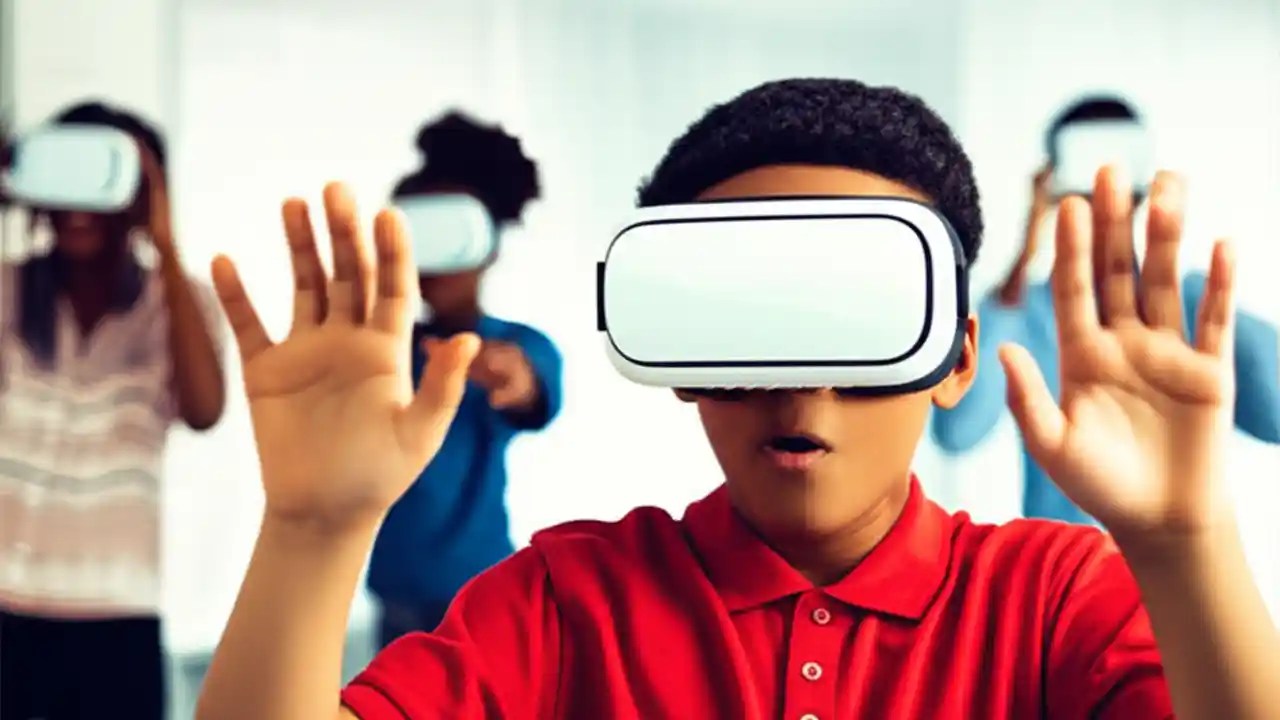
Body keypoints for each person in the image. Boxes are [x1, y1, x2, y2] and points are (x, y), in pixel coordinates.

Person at [196, 79, 1279, 719]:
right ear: (678, 354)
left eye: (862, 312)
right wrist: (308, 531)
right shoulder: (566, 604)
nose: (799, 381)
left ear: (954, 358)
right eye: (746, 318)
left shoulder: (1054, 600)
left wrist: (1187, 543)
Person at [933, 95, 1280, 525]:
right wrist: (1026, 248)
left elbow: (1274, 415)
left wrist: (1207, 301)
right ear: (1053, 181)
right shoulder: (1021, 309)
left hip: (1175, 552)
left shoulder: (1191, 301)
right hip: (1065, 556)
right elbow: (958, 431)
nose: (1103, 184)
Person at [0, 101, 226, 718]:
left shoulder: (178, 303)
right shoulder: (7, 288)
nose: (79, 204)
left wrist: (166, 243)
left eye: (101, 175)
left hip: (117, 608)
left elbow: (205, 409)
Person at [366, 111, 563, 648]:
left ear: (489, 243)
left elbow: (531, 385)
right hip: (394, 598)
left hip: (482, 598)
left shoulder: (517, 345)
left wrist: (512, 377)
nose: (431, 262)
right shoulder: (379, 350)